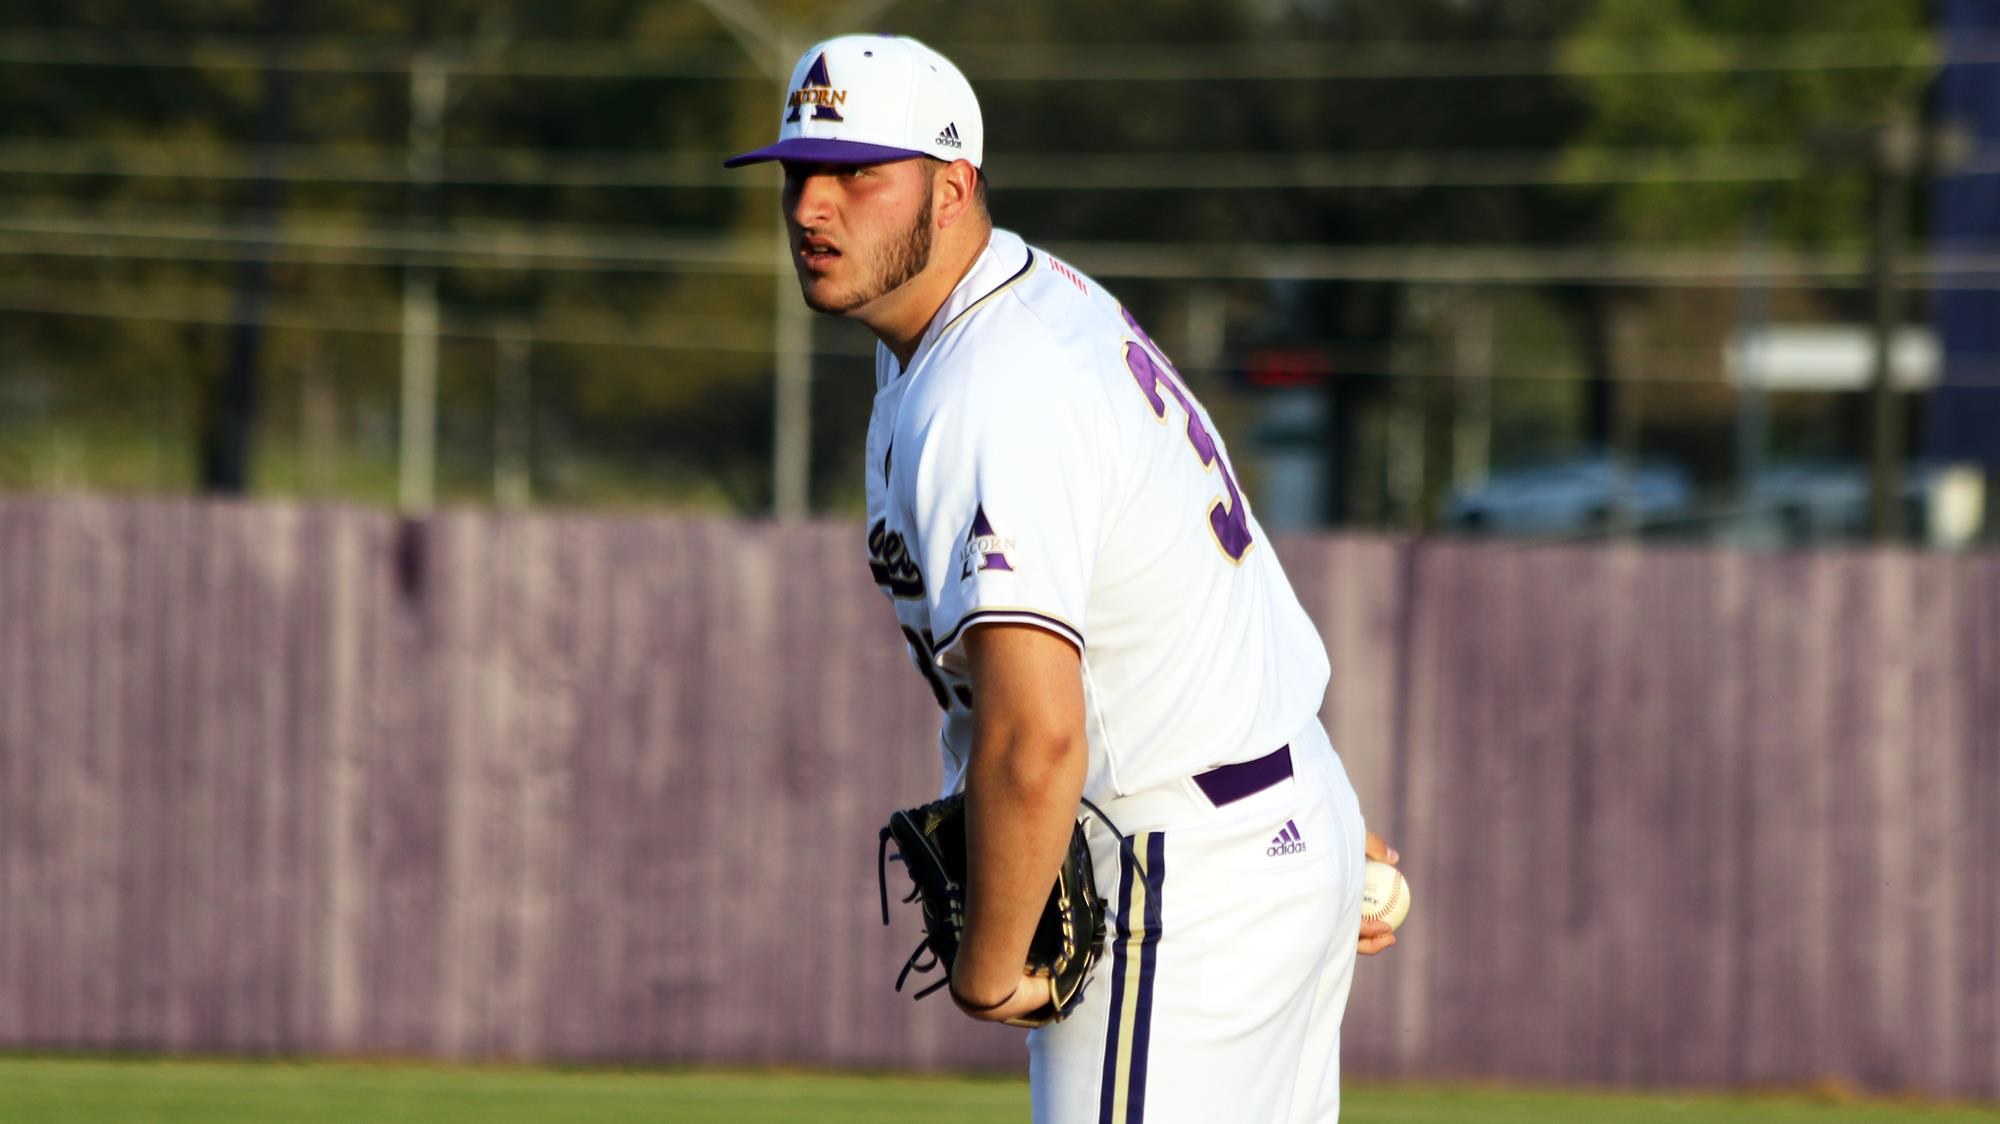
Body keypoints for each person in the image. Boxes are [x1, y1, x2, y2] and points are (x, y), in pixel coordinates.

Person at [724, 33, 1398, 1123]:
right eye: (800, 172)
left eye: (859, 174)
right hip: (1252, 825)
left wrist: (988, 967)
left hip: (1175, 878)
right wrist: (1292, 796)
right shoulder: (1029, 308)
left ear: (951, 188)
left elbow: (1036, 736)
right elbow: (1181, 557)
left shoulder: (992, 384)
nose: (811, 207)